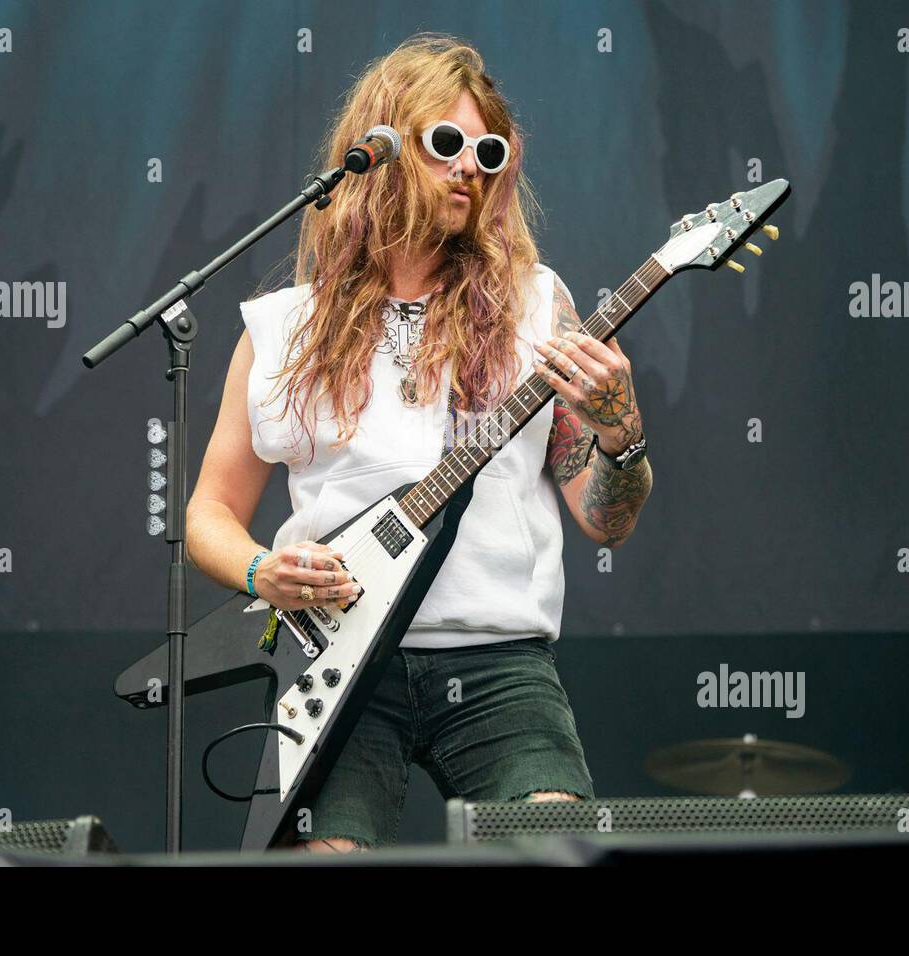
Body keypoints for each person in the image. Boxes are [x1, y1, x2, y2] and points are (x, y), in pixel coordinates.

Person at [185, 33, 652, 851]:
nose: (469, 165)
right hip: (337, 666)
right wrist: (263, 570)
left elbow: (607, 520)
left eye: (489, 150)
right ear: (380, 150)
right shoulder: (282, 328)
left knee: (557, 850)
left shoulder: (539, 309)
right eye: (445, 143)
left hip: (500, 660)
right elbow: (209, 513)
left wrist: (623, 430)